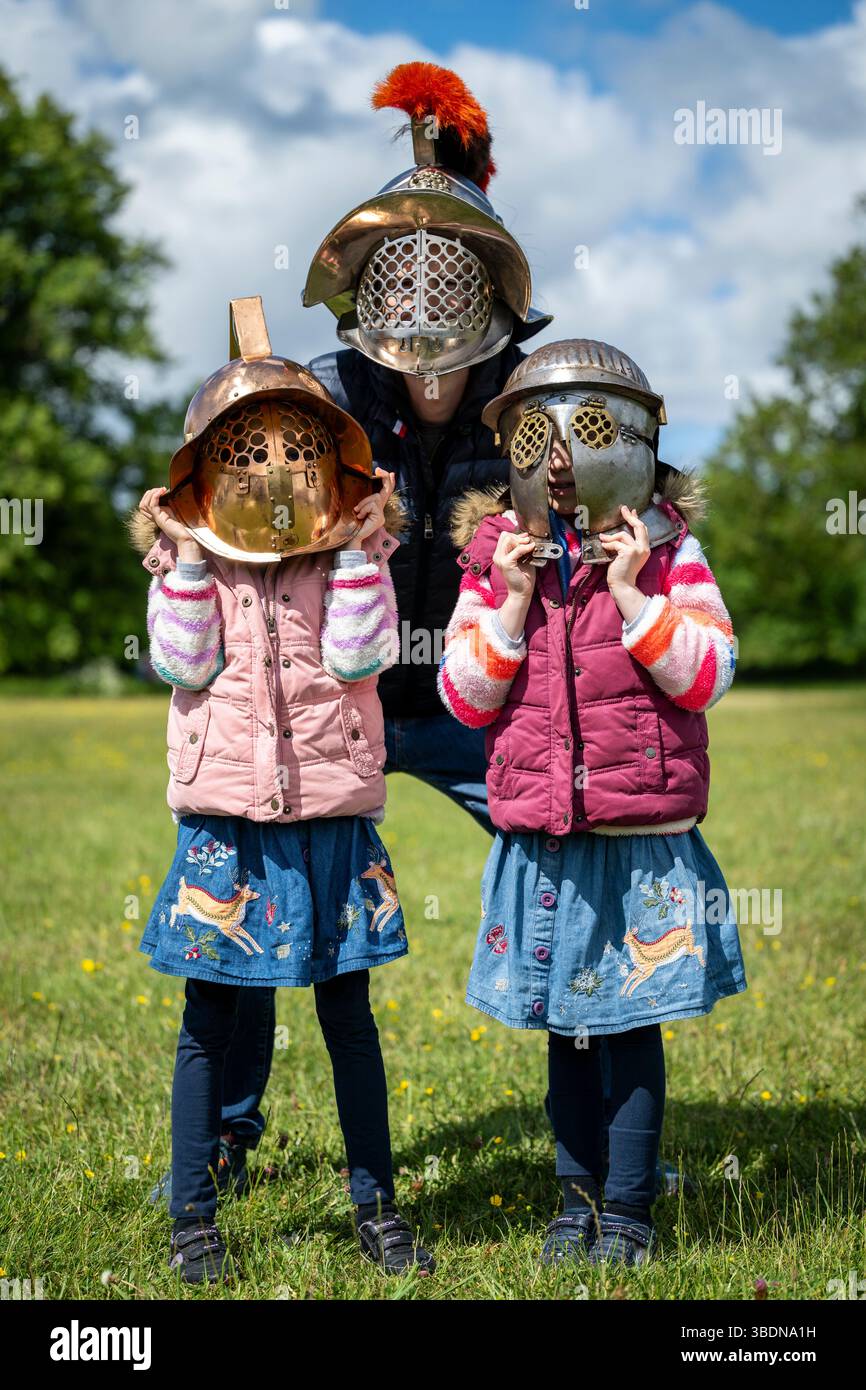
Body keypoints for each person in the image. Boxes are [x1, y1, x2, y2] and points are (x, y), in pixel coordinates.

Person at [173, 62, 552, 1186]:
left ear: (485, 286)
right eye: (406, 284)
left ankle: (592, 1144)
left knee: (570, 868)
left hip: (484, 698)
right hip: (334, 701)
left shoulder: (534, 398)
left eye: (449, 283)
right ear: (372, 292)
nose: (426, 315)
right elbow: (235, 499)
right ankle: (227, 1137)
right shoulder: (322, 398)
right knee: (242, 891)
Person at [131, 298, 434, 1281]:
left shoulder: (352, 560)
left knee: (347, 1017)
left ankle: (375, 1207)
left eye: (292, 451)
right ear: (210, 469)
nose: (269, 473)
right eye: (245, 453)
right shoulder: (194, 565)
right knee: (208, 1023)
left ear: (325, 461)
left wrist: (350, 547)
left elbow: (357, 654)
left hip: (331, 826)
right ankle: (192, 1215)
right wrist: (182, 554)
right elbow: (181, 666)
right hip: (227, 830)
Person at [438, 338, 747, 1266]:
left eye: (589, 431)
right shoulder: (498, 557)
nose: (561, 460)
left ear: (639, 440)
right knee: (566, 1030)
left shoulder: (668, 552)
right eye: (539, 436)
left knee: (630, 1027)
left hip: (639, 837)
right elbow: (463, 695)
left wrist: (633, 595)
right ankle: (575, 1206)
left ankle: (632, 1209)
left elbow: (710, 674)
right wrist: (509, 604)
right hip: (545, 841)